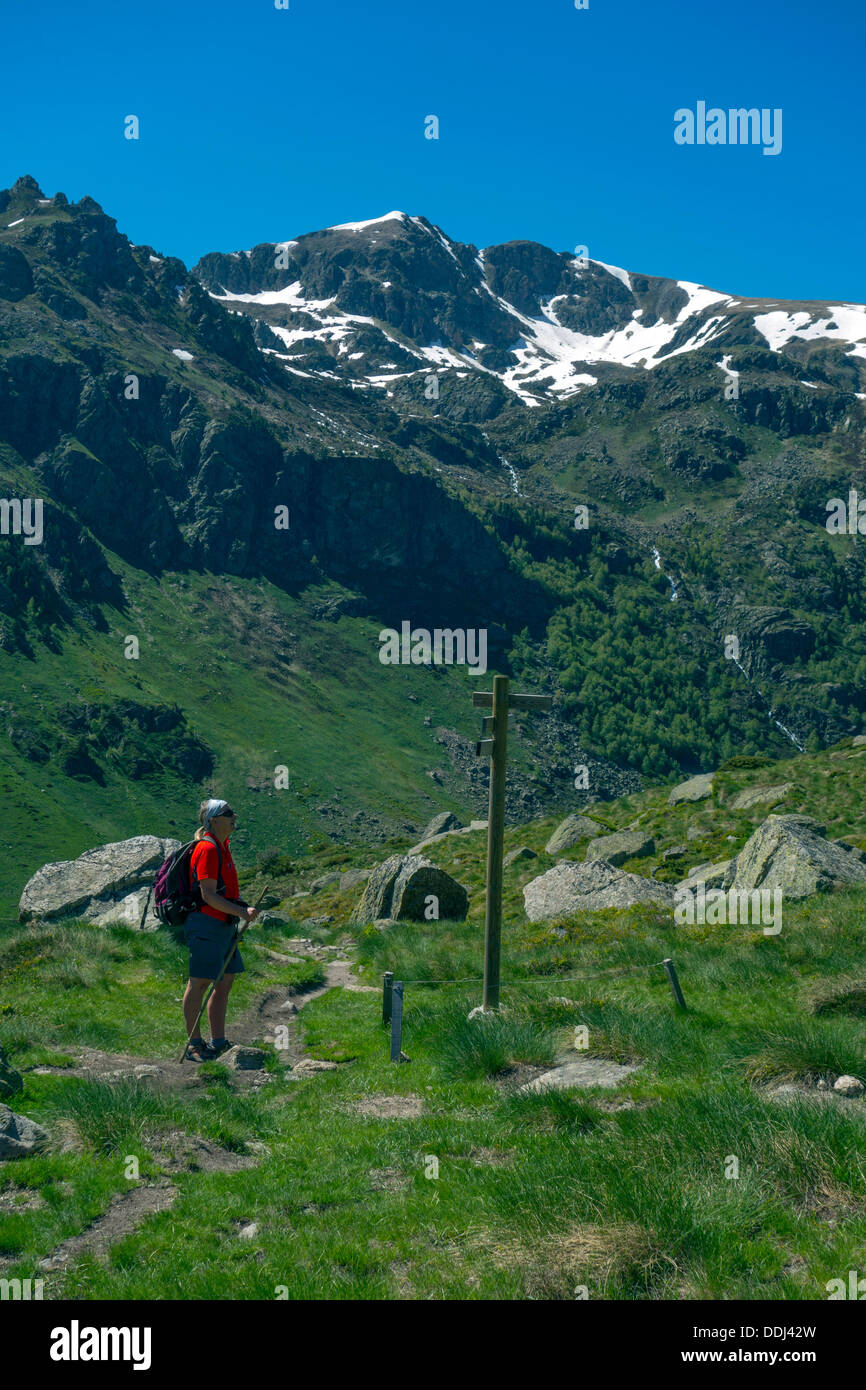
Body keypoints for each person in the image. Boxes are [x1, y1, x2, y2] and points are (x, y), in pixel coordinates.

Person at [181, 798, 259, 1061]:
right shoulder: (208, 849)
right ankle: (194, 1044)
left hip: (223, 925)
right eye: (227, 813)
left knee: (224, 982)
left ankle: (218, 1041)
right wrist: (241, 912)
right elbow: (209, 896)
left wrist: (240, 909)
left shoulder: (223, 848)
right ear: (213, 820)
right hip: (206, 924)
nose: (233, 816)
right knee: (200, 983)